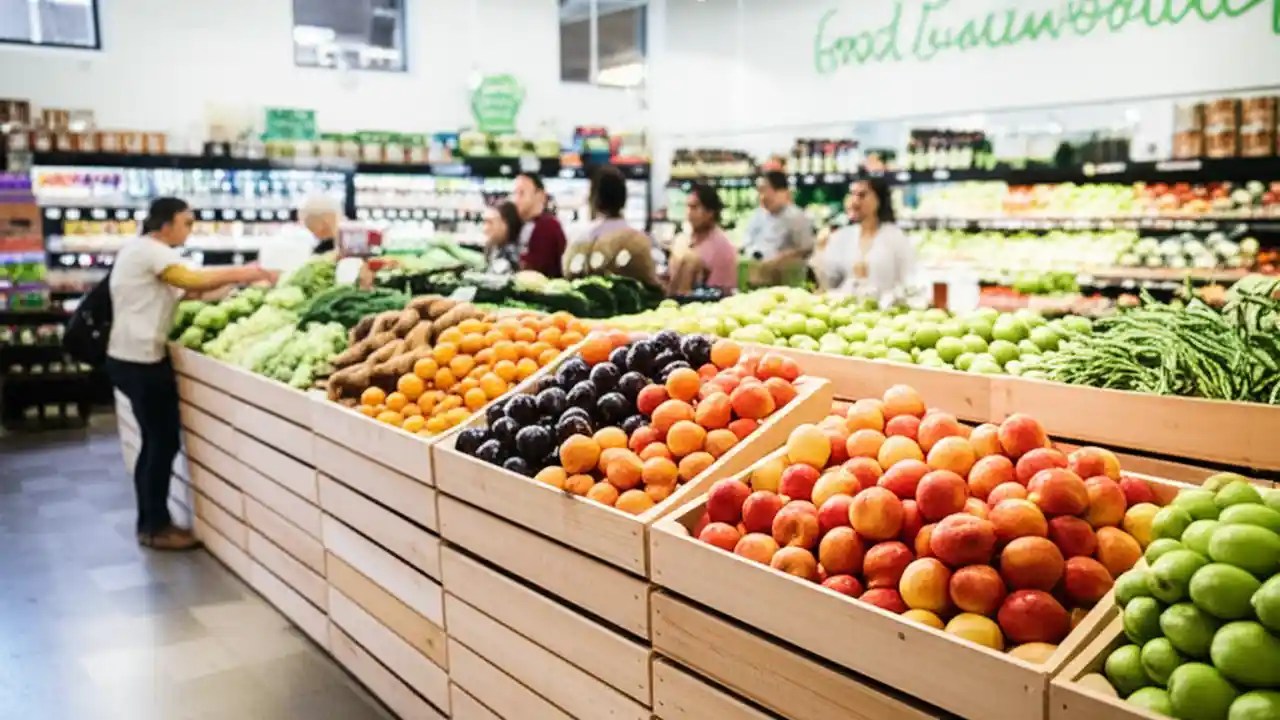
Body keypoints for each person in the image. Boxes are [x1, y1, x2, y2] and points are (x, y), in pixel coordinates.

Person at [107, 197, 276, 550]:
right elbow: (191, 277)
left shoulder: (145, 253)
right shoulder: (151, 252)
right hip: (140, 361)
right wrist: (251, 271)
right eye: (186, 222)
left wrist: (239, 284)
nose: (190, 228)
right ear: (165, 225)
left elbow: (195, 291)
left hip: (132, 357)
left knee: (155, 442)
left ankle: (152, 522)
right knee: (161, 442)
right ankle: (156, 527)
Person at [819, 177, 920, 307]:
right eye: (852, 194)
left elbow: (909, 281)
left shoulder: (895, 238)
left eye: (862, 195)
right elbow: (827, 282)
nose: (854, 201)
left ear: (879, 199)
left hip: (887, 313)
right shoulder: (841, 237)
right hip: (846, 312)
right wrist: (820, 250)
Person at [562, 165, 658, 285]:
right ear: (624, 199)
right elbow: (650, 280)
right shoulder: (639, 240)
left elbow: (569, 276)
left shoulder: (581, 238)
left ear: (593, 198)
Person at [742, 170, 814, 286]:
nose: (763, 197)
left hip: (786, 280)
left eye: (766, 191)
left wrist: (782, 258)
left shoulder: (796, 217)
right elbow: (747, 243)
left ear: (782, 192)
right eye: (759, 192)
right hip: (757, 275)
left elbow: (806, 249)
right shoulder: (757, 216)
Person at [667, 182, 738, 295]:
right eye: (688, 207)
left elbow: (720, 291)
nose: (689, 213)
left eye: (694, 207)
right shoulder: (682, 240)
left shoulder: (722, 246)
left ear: (710, 212)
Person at [510, 172, 567, 277]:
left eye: (521, 193)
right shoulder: (522, 225)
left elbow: (537, 269)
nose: (515, 199)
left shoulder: (548, 227)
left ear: (540, 195)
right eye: (514, 193)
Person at [482, 201, 524, 274]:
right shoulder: (493, 247)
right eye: (485, 222)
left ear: (505, 225)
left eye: (490, 223)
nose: (485, 229)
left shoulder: (511, 255)